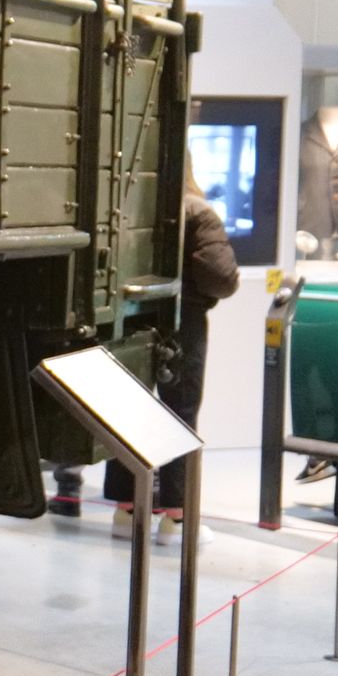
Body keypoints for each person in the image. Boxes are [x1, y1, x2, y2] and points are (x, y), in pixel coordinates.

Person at [108, 181, 241, 534]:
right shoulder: (198, 211)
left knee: (127, 408)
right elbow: (222, 277)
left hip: (131, 315)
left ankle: (125, 509)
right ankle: (176, 517)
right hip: (184, 321)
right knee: (181, 411)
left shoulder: (128, 200)